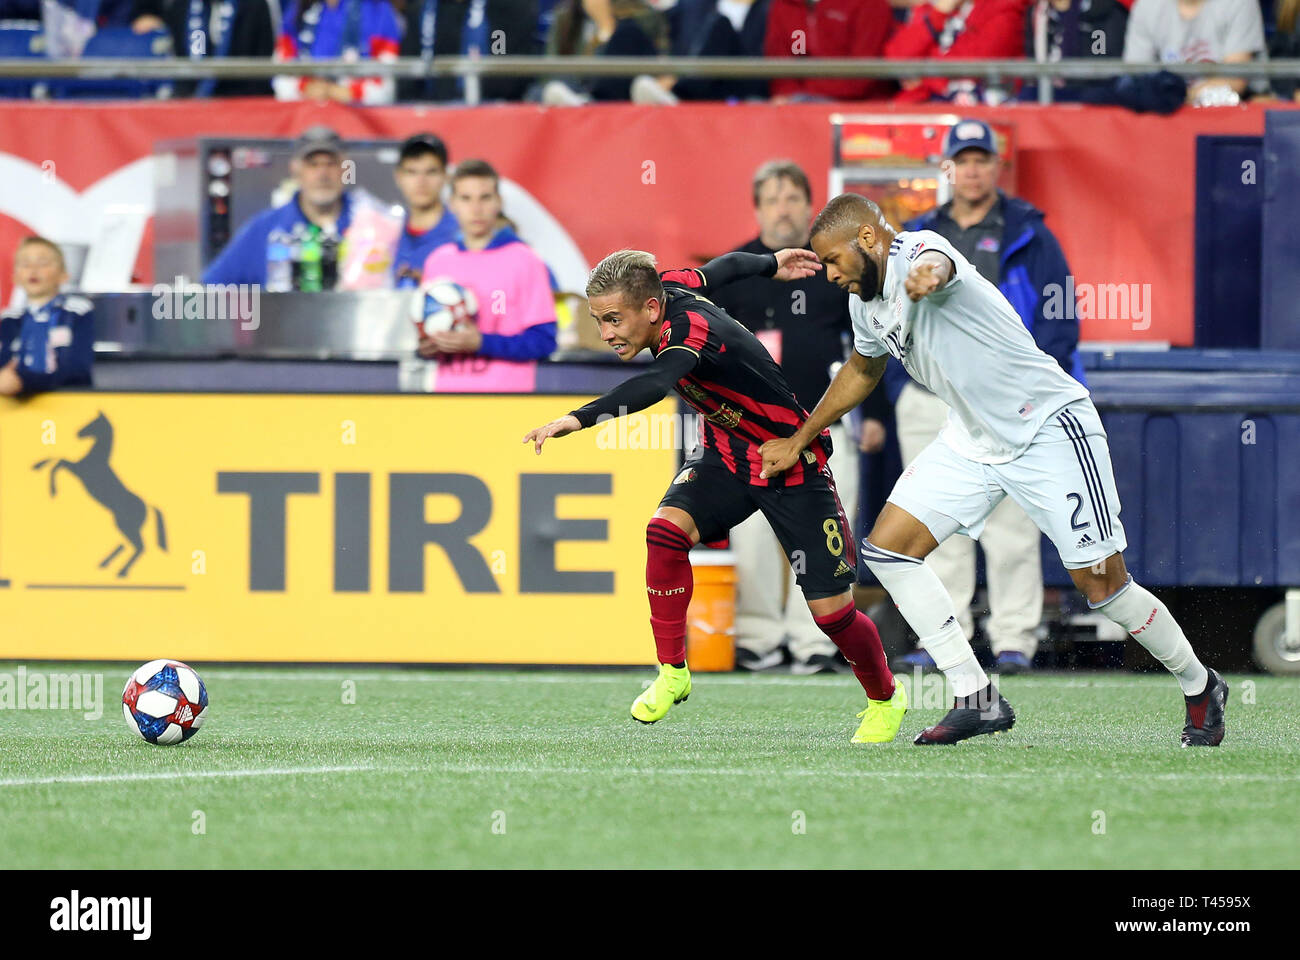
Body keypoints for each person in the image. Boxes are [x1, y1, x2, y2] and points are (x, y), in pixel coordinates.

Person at [759, 193, 1227, 746]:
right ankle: (975, 696)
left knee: (1102, 583)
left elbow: (942, 264)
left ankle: (1201, 685)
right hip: (971, 438)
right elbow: (862, 371)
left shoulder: (920, 251)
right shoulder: (866, 303)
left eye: (834, 260)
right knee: (887, 549)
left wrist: (928, 279)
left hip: (1048, 429)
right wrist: (800, 437)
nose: (831, 274)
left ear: (866, 240)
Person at [522, 248, 907, 741]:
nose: (607, 333)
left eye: (615, 319)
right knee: (663, 533)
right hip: (727, 456)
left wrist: (577, 418)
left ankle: (886, 698)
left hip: (790, 459)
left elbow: (657, 384)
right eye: (600, 321)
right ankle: (673, 673)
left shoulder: (685, 338)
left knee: (831, 613)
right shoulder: (666, 284)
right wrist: (771, 263)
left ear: (651, 309)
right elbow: (721, 269)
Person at [886, 118, 1081, 675]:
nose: (972, 170)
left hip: (1003, 399)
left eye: (981, 159)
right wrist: (903, 385)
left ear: (996, 166)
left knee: (1012, 519)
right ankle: (948, 640)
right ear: (948, 168)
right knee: (935, 517)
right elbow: (888, 314)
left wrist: (1033, 384)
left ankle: (1014, 636)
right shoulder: (918, 233)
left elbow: (1060, 311)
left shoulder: (1028, 230)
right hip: (932, 392)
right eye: (962, 160)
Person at [709, 159, 886, 673]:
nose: (782, 208)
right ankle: (759, 639)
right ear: (757, 208)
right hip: (750, 429)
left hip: (826, 423)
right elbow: (706, 346)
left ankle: (815, 644)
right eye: (772, 199)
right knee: (753, 533)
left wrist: (872, 412)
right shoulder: (736, 269)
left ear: (809, 206)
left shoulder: (831, 264)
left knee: (827, 530)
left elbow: (868, 340)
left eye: (792, 198)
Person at [417, 159, 557, 391]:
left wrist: (482, 343)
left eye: (485, 197)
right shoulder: (437, 261)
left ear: (498, 202)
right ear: (452, 203)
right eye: (466, 198)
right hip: (446, 400)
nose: (476, 209)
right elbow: (425, 331)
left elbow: (544, 342)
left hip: (505, 402)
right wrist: (426, 348)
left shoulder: (525, 259)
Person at [204, 126, 356, 287]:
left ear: (345, 169)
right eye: (313, 165)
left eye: (331, 164)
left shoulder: (368, 226)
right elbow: (212, 289)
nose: (322, 174)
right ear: (296, 170)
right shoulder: (266, 229)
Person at [885, 0, 1030, 104]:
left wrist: (922, 75)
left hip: (983, 107)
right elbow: (894, 58)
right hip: (927, 104)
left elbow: (975, 62)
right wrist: (938, 15)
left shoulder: (1005, 5)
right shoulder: (933, 7)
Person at [1123, 0, 1266, 105]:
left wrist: (1177, 98)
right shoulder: (1146, 6)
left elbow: (1235, 81)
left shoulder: (1240, 3)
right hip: (1168, 117)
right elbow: (1136, 81)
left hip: (1231, 115)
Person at [0, 237, 94, 397]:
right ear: (15, 276)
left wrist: (24, 382)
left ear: (64, 275)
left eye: (43, 263)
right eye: (25, 264)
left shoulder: (77, 312)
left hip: (69, 404)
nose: (33, 270)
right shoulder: (9, 318)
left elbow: (78, 370)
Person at [398, 0, 540, 103]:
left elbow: (503, 66)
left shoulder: (505, 11)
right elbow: (407, 78)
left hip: (490, 113)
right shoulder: (420, 12)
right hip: (431, 112)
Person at [129, 0, 279, 97]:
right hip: (193, 102)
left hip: (242, 103)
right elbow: (181, 69)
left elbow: (262, 71)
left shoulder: (256, 5)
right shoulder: (182, 7)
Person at [763, 0, 896, 102]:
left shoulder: (870, 4)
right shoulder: (784, 4)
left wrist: (804, 93)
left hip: (859, 107)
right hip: (799, 104)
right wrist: (789, 96)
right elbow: (780, 64)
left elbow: (863, 75)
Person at [273, 0, 402, 105]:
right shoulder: (298, 9)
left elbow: (384, 88)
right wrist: (305, 87)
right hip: (305, 116)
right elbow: (280, 77)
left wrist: (348, 92)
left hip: (357, 120)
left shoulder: (378, 9)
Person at [539, 0, 668, 105]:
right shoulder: (565, 17)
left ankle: (589, 104)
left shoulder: (642, 16)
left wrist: (606, 25)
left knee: (627, 33)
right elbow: (550, 70)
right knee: (554, 86)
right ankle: (582, 102)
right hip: (575, 87)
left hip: (623, 92)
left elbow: (660, 60)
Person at [392, 133, 460, 289]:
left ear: (446, 176)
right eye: (412, 172)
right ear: (398, 177)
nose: (421, 182)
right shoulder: (386, 234)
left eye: (431, 172)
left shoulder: (461, 234)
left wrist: (433, 287)